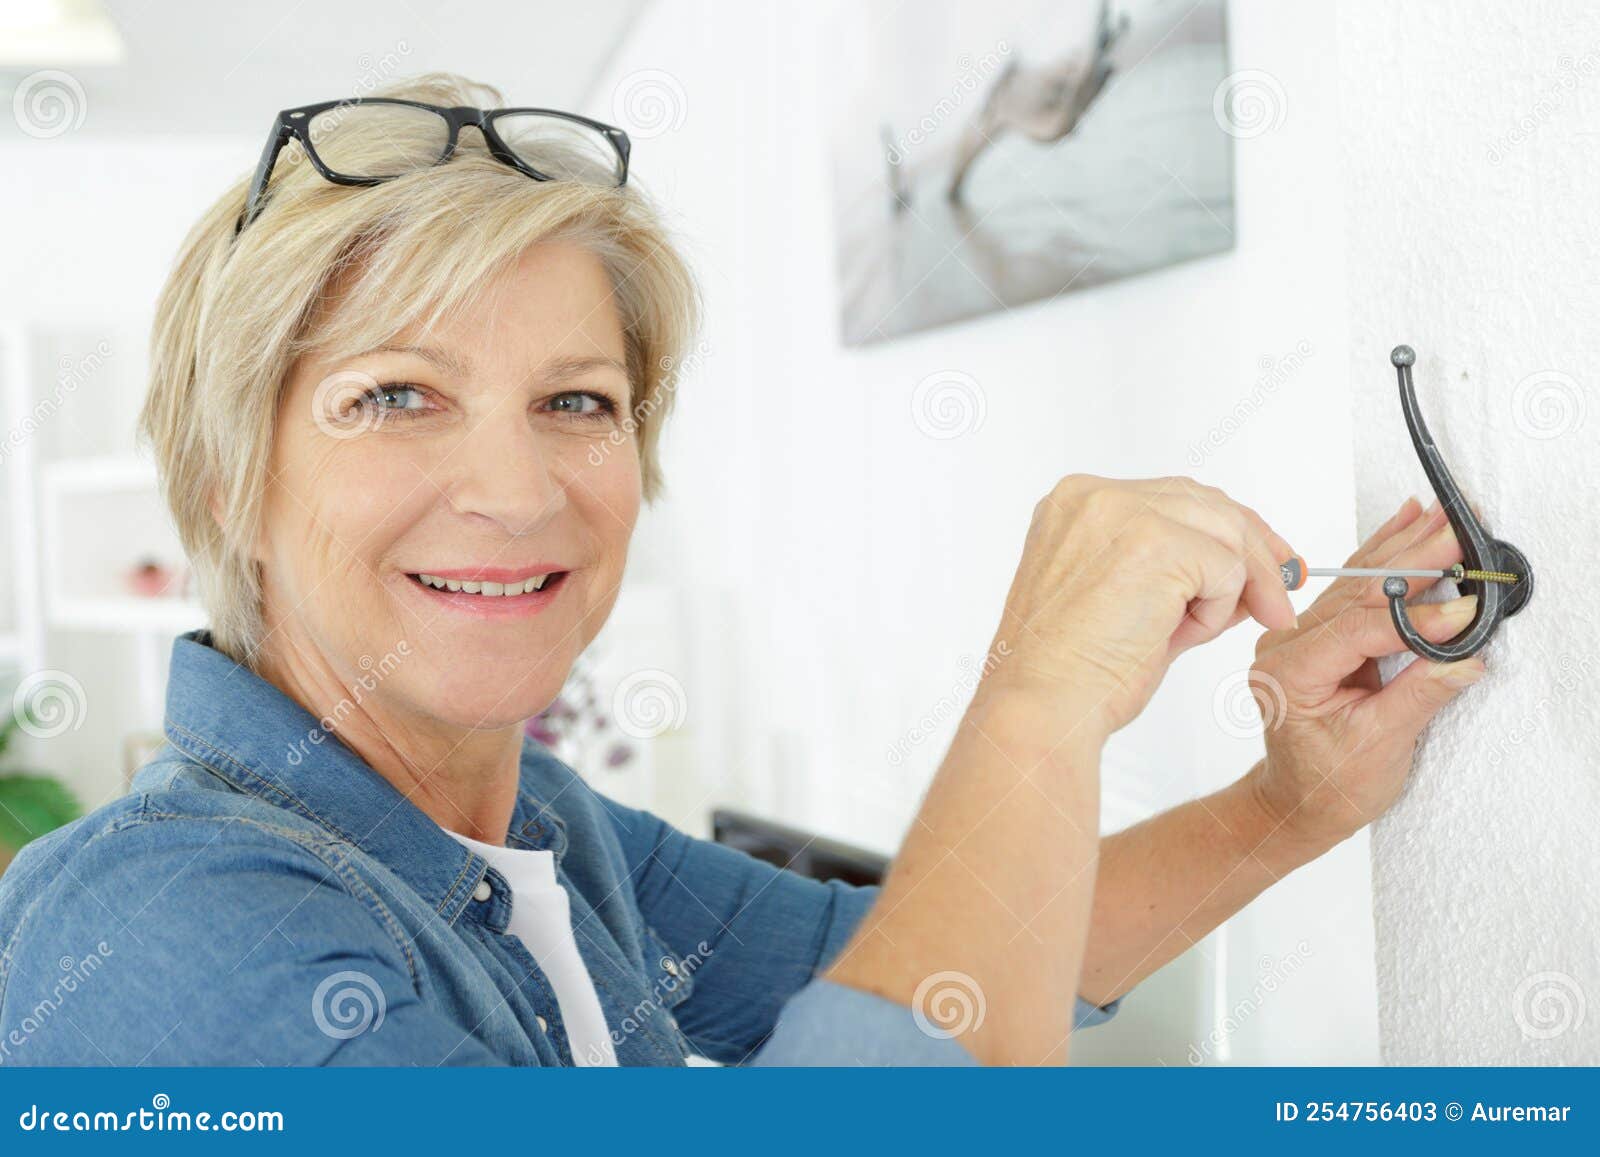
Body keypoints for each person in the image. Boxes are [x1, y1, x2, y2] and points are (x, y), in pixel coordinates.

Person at [0, 73, 1484, 1067]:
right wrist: (1036, 697)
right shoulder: (157, 927)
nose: (516, 493)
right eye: (395, 395)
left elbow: (905, 966)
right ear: (227, 482)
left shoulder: (548, 829)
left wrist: (1289, 801)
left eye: (575, 400)